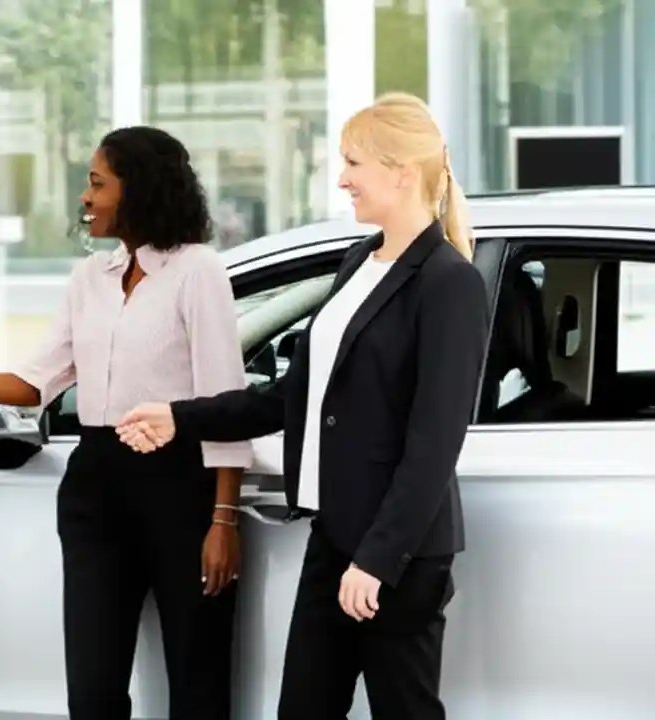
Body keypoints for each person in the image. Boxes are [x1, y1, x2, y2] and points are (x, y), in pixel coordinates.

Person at [116, 92, 490, 719]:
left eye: (353, 163)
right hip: (336, 536)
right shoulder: (357, 263)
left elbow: (434, 443)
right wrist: (179, 416)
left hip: (393, 556)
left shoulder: (449, 282)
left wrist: (376, 560)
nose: (341, 179)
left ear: (400, 172)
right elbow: (293, 397)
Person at [0, 126, 254, 719]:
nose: (85, 199)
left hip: (180, 484)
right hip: (97, 483)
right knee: (92, 686)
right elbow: (34, 380)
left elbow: (224, 398)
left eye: (97, 183)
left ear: (137, 190)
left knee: (198, 676)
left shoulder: (198, 272)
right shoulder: (87, 280)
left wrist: (223, 518)